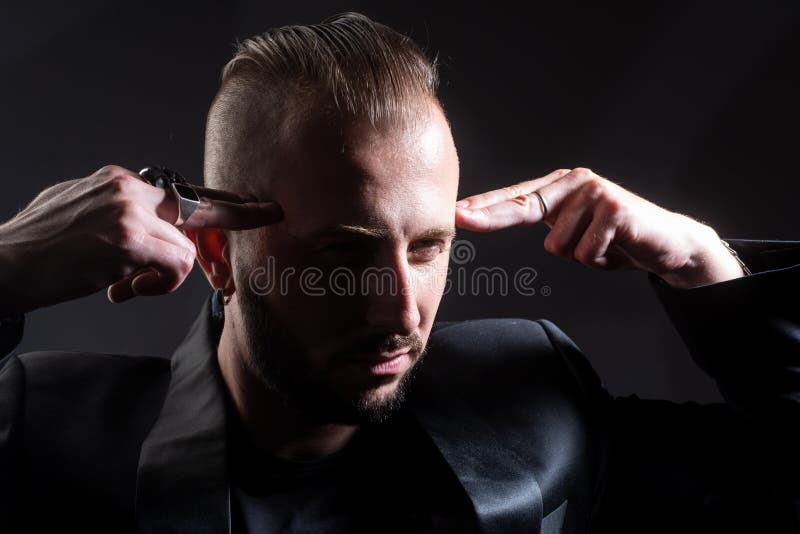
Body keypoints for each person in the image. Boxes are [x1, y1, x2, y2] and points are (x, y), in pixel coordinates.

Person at [0, 11, 798, 534]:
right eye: (343, 251)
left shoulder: (534, 407)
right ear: (220, 255)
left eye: (426, 247)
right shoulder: (47, 431)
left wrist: (704, 264)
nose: (398, 311)